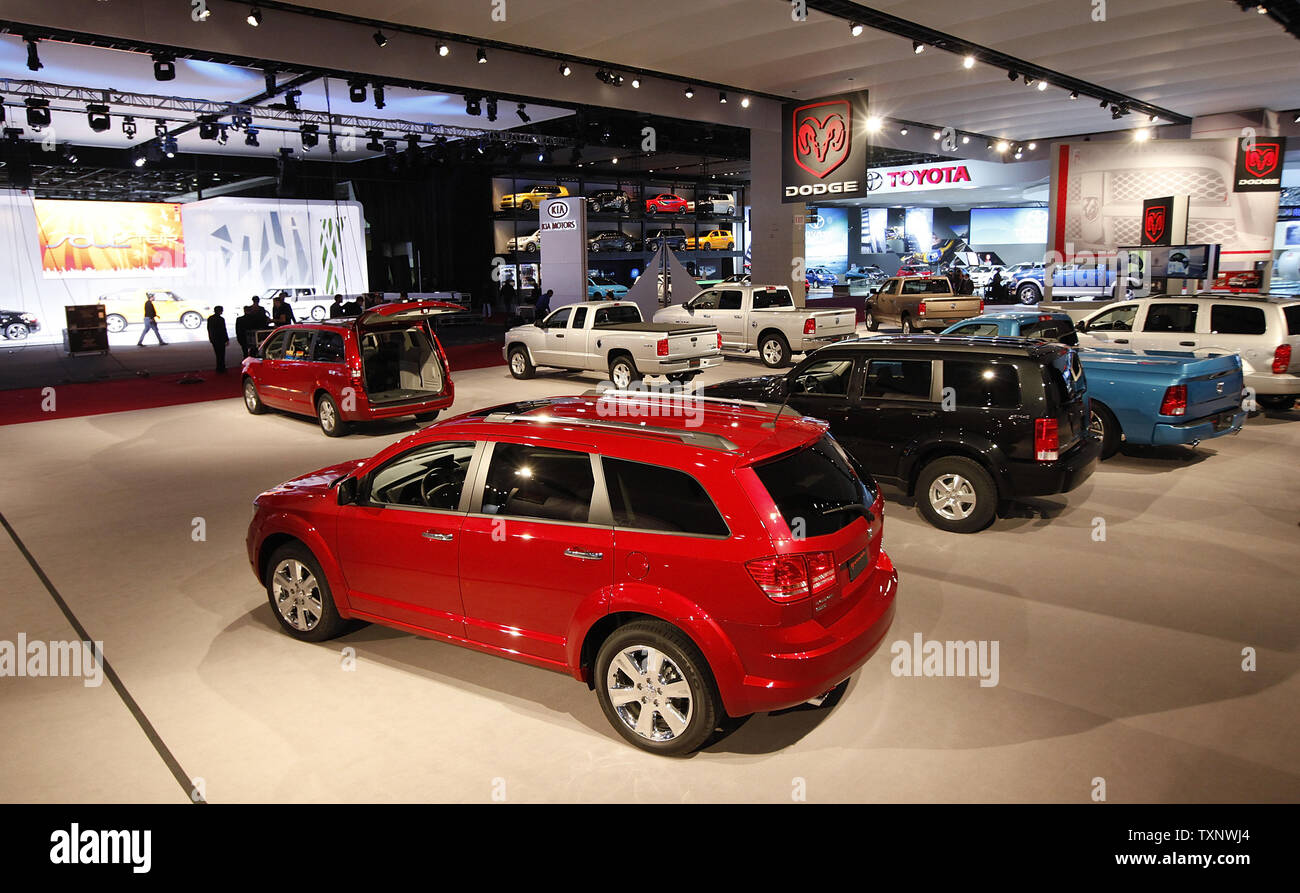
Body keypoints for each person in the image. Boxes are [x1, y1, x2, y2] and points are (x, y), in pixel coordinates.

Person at [207, 306, 229, 373]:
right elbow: (223, 330)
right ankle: (222, 367)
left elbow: (209, 329)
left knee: (217, 353)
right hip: (221, 339)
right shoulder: (221, 319)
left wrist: (211, 338)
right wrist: (226, 339)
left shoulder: (210, 318)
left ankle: (219, 368)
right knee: (222, 354)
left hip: (214, 339)